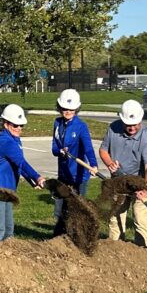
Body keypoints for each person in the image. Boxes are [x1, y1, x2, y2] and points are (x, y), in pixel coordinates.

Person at [0, 104, 45, 244]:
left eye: (21, 125)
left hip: (7, 191)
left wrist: (31, 180)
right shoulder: (6, 141)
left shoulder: (14, 139)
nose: (19, 128)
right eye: (15, 125)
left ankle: (6, 257)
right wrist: (37, 177)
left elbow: (18, 164)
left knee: (8, 232)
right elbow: (22, 162)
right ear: (6, 124)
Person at [99, 100, 147, 248]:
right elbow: (103, 150)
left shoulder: (146, 136)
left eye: (135, 124)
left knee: (140, 217)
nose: (132, 128)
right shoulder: (113, 129)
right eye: (128, 124)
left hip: (141, 178)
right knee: (116, 215)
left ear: (140, 120)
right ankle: (116, 249)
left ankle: (143, 251)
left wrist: (146, 188)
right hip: (119, 179)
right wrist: (109, 163)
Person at [50, 89, 98, 237]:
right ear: (59, 108)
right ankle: (59, 237)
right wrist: (60, 151)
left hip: (79, 176)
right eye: (65, 108)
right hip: (63, 174)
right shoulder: (57, 123)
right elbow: (54, 148)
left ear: (76, 109)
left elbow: (88, 148)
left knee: (77, 208)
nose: (68, 112)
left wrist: (93, 164)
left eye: (71, 109)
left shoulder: (81, 126)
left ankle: (78, 237)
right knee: (62, 209)